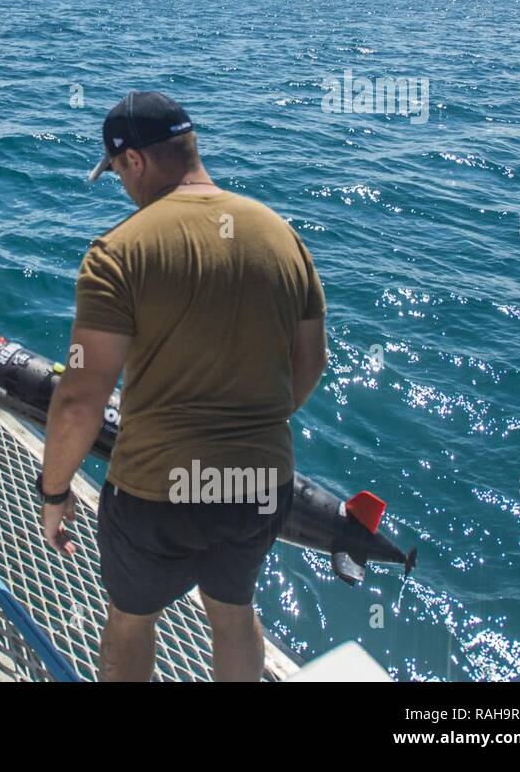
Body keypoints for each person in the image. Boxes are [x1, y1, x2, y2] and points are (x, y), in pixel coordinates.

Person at [38, 91, 328, 681]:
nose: (121, 185)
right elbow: (310, 364)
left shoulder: (118, 252)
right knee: (233, 612)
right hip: (258, 485)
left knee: (130, 618)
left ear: (135, 161)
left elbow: (80, 398)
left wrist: (55, 491)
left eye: (117, 171)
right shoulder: (281, 237)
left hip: (154, 494)